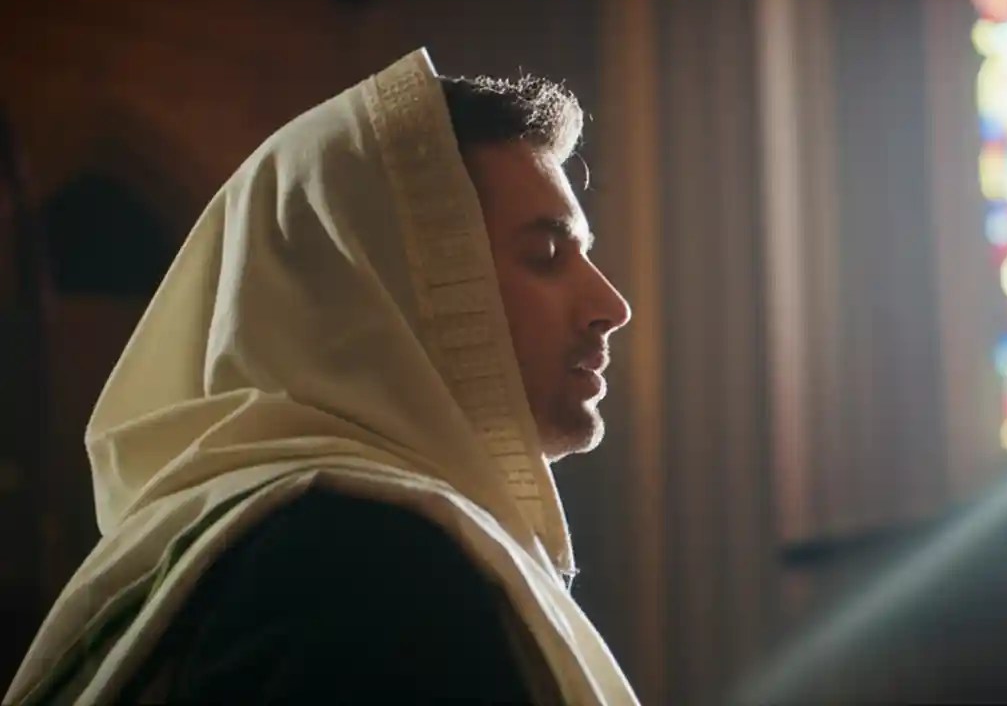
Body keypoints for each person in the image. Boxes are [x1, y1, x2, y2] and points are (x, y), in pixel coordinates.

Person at [4, 48, 637, 704]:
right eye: (546, 254)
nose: (612, 307)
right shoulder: (373, 568)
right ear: (385, 289)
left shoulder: (248, 546)